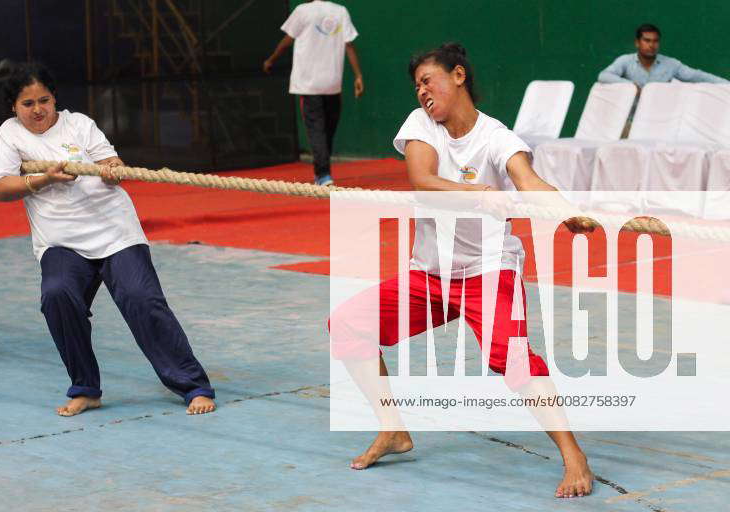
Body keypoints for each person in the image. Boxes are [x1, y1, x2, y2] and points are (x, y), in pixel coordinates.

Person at [329, 43, 595, 498]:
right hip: (429, 275)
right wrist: (480, 195)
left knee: (511, 360)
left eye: (427, 80)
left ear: (457, 75)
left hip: (488, 270)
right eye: (416, 86)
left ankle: (574, 456)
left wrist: (566, 211)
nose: (421, 92)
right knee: (346, 325)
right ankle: (393, 429)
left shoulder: (497, 137)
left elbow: (529, 182)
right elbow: (423, 180)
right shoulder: (421, 126)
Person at [0, 63, 216, 417]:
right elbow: (1, 188)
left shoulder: (79, 124)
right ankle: (86, 388)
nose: (38, 110)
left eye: (44, 100)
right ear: (14, 108)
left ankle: (193, 385)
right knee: (57, 296)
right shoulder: (10, 134)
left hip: (114, 231)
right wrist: (43, 179)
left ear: (54, 99)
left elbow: (110, 162)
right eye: (28, 103)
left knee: (142, 299)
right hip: (61, 242)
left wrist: (112, 170)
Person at [263, 0, 364, 187]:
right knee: (322, 130)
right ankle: (324, 173)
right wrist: (358, 75)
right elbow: (349, 45)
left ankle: (323, 173)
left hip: (320, 85)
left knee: (321, 130)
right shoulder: (329, 11)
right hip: (321, 85)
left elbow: (287, 40)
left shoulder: (316, 11)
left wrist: (271, 59)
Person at [598, 23, 728, 88]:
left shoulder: (671, 64)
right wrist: (632, 86)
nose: (651, 45)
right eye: (647, 41)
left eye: (655, 41)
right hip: (628, 116)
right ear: (637, 43)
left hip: (659, 116)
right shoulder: (625, 61)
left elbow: (697, 76)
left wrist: (727, 85)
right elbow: (603, 76)